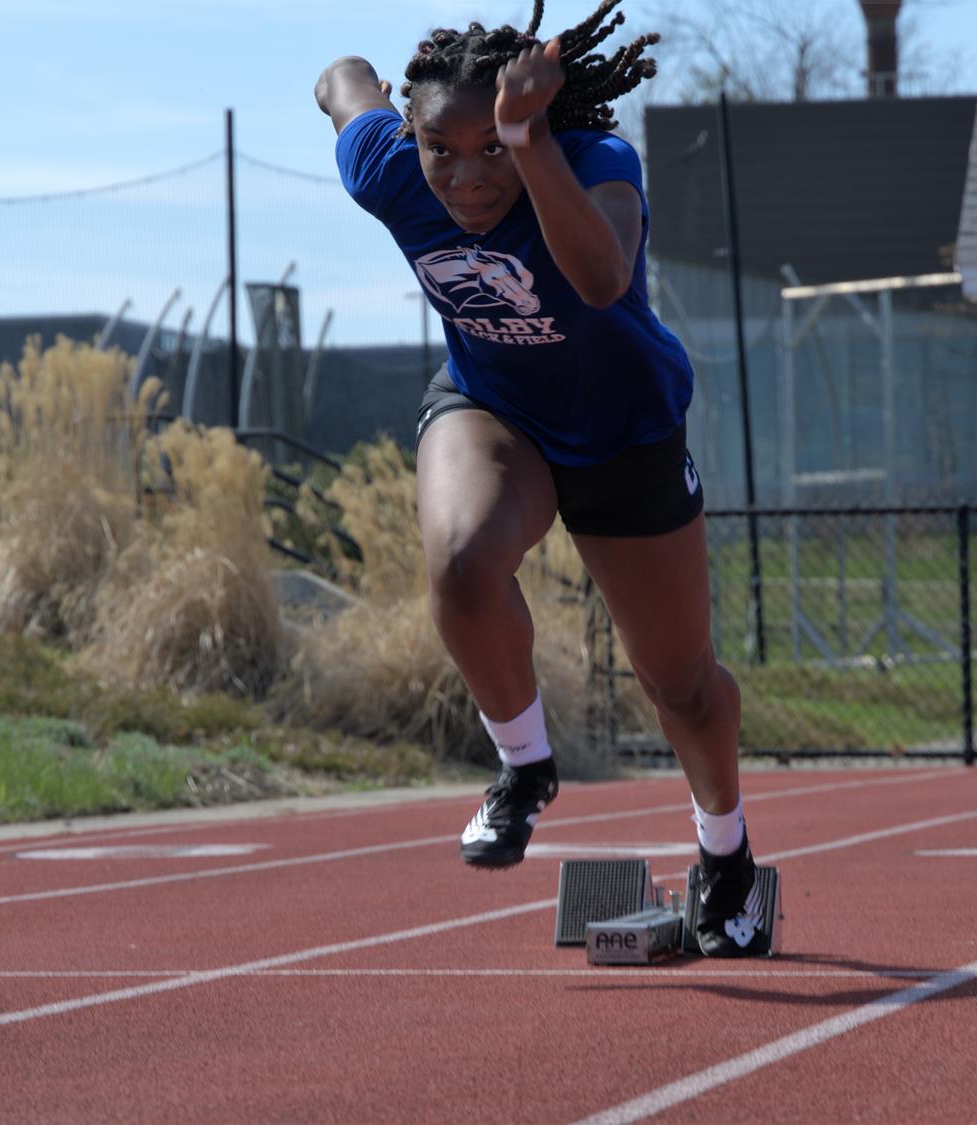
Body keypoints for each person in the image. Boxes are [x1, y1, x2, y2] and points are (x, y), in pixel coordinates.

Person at [313, 0, 773, 957]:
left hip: (624, 430)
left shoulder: (594, 166)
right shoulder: (389, 169)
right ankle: (524, 767)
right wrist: (371, 91)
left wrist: (531, 143)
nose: (467, 177)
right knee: (462, 563)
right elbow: (342, 77)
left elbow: (602, 280)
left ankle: (723, 854)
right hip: (497, 408)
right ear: (412, 135)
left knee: (679, 684)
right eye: (444, 148)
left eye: (492, 150)